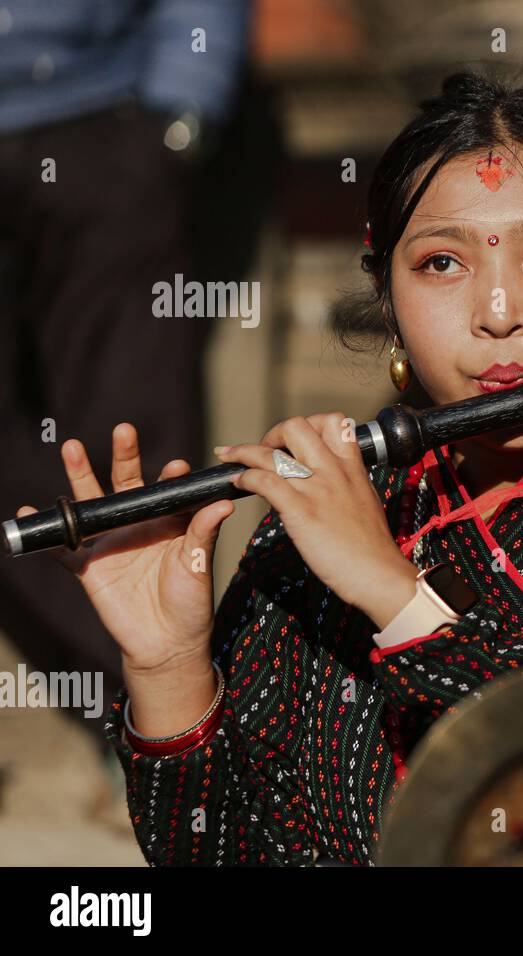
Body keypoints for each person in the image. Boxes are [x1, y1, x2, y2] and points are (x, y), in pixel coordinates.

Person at [18, 71, 523, 865]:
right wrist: (168, 671)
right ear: (389, 300)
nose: (499, 312)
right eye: (442, 264)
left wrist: (395, 594)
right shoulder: (309, 530)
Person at [0, 0, 251, 737]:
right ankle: (125, 711)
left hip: (106, 125)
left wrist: (186, 105)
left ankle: (175, 721)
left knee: (132, 444)